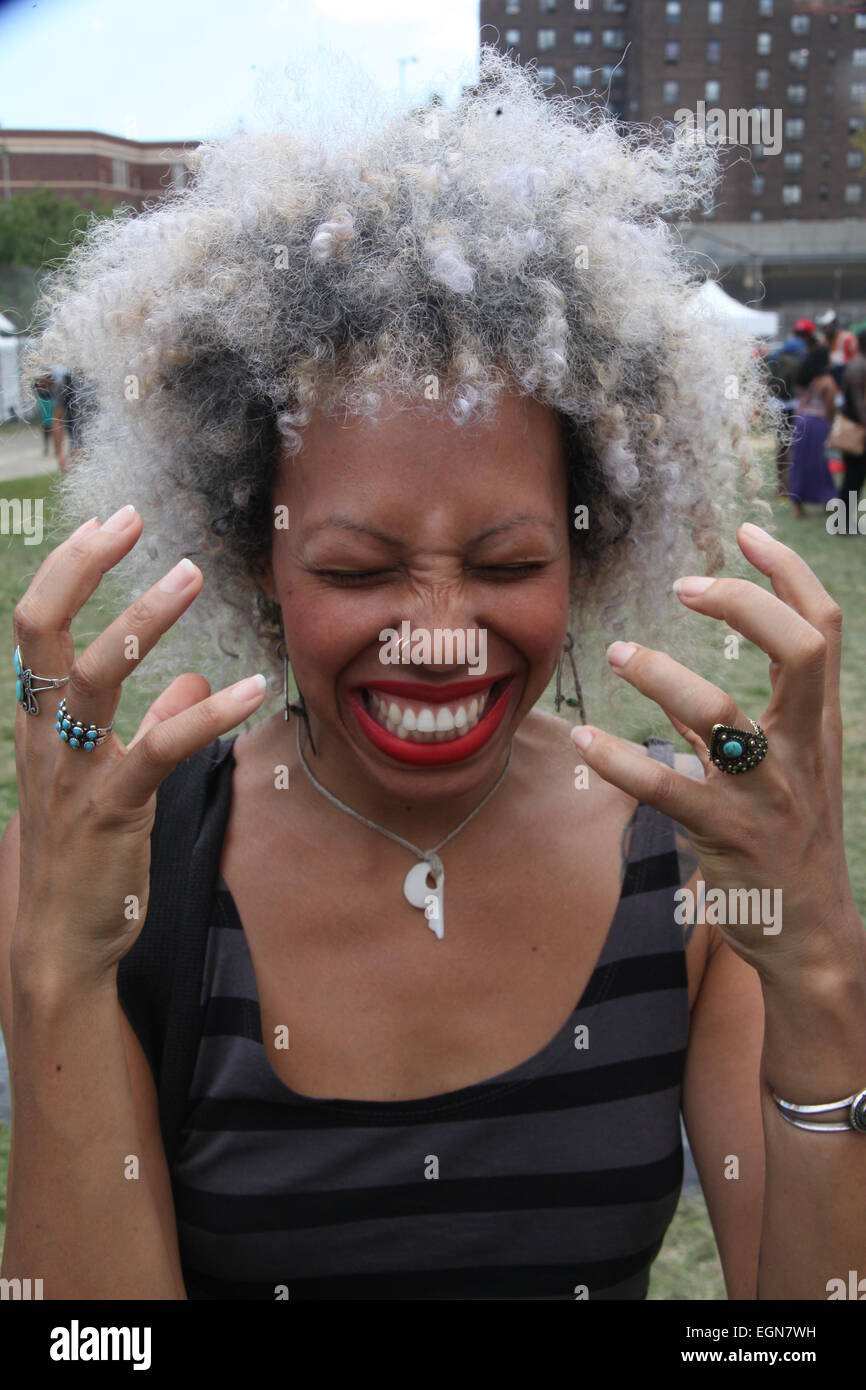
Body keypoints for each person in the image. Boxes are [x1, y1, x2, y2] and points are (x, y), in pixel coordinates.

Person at [2, 47, 864, 1303]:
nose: (443, 634)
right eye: (356, 571)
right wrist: (59, 979)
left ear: (590, 545)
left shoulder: (697, 875)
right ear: (256, 563)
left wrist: (821, 977)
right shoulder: (121, 879)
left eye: (509, 559)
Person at [786, 344, 837, 518]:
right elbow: (830, 407)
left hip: (802, 422)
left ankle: (798, 505)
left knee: (800, 463)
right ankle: (827, 499)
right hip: (817, 425)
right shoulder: (827, 381)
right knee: (819, 464)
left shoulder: (810, 378)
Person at [765, 327, 808, 496]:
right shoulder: (797, 361)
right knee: (790, 446)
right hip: (791, 407)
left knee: (781, 446)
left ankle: (780, 485)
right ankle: (788, 485)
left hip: (776, 405)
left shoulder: (775, 359)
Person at [837, 329, 866, 534]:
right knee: (853, 478)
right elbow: (858, 402)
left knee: (853, 477)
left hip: (854, 426)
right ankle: (844, 523)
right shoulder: (860, 365)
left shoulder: (856, 364)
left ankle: (844, 522)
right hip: (857, 430)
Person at [817, 310, 857, 388]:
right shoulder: (822, 341)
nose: (825, 330)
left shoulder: (847, 338)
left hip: (846, 376)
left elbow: (855, 357)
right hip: (829, 378)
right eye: (824, 327)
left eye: (827, 327)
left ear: (834, 325)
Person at [32, 374, 55, 457]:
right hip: (43, 402)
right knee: (46, 426)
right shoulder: (38, 383)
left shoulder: (51, 381)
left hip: (51, 401)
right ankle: (46, 447)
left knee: (54, 425)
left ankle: (55, 446)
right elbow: (34, 385)